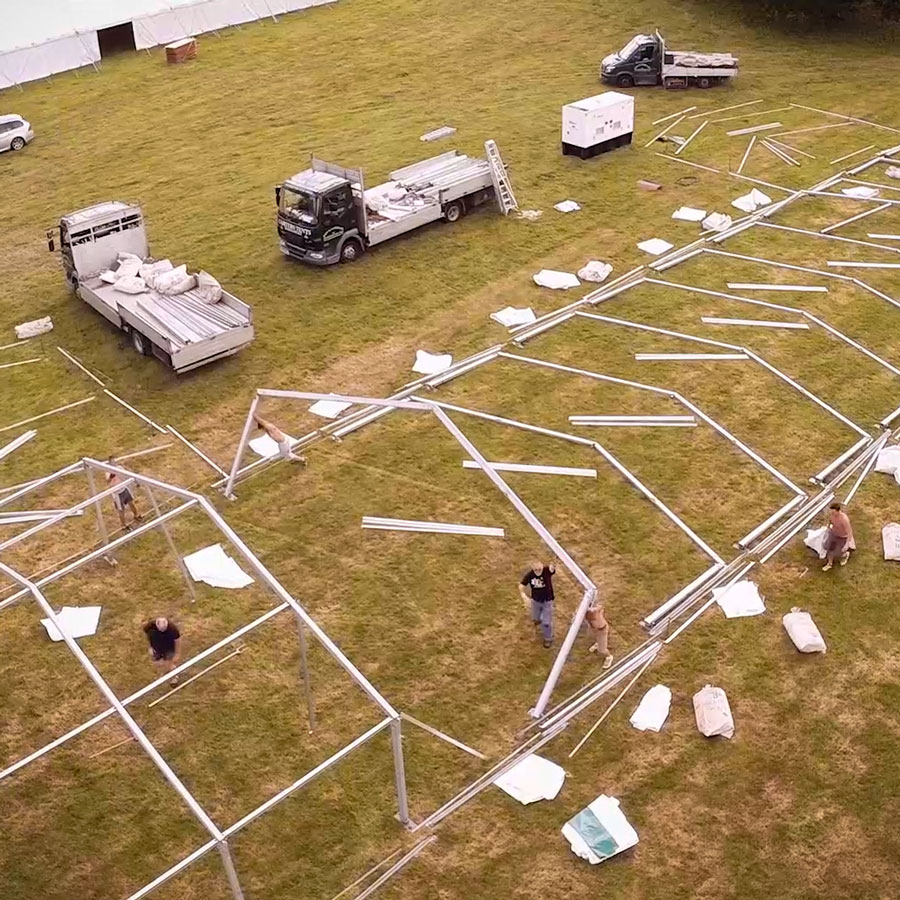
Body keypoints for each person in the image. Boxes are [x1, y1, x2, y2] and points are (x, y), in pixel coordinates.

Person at [518, 559, 556, 648]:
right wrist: (523, 595)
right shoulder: (530, 575)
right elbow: (521, 585)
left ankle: (548, 638)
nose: (538, 571)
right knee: (536, 618)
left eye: (540, 569)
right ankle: (538, 621)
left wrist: (553, 566)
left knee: (546, 623)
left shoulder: (547, 571)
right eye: (536, 570)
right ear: (533, 569)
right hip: (536, 601)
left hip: (547, 601)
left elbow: (552, 569)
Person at [106, 457, 142, 531]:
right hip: (117, 493)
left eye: (114, 462)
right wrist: (112, 475)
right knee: (121, 510)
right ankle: (123, 525)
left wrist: (135, 482)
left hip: (124, 489)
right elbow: (108, 481)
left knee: (131, 503)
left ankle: (136, 515)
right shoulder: (108, 472)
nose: (113, 464)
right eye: (111, 462)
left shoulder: (119, 468)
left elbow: (126, 475)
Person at [143, 617, 181, 684]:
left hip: (169, 648)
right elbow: (148, 636)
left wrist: (177, 653)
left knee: (168, 664)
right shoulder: (149, 626)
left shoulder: (173, 629)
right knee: (159, 663)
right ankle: (163, 673)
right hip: (157, 648)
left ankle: (174, 677)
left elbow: (177, 641)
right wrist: (151, 647)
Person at [822, 502, 853, 571]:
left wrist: (847, 544)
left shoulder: (844, 519)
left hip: (842, 537)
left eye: (833, 512)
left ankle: (845, 555)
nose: (832, 514)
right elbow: (830, 521)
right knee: (828, 548)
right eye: (831, 512)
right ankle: (829, 564)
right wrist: (828, 527)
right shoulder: (832, 515)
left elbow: (849, 532)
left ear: (838, 511)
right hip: (833, 533)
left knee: (839, 552)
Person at [586, 601, 614, 670]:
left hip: (602, 630)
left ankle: (609, 657)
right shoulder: (594, 610)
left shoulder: (593, 612)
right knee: (591, 635)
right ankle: (598, 643)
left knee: (602, 650)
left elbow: (593, 614)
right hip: (594, 629)